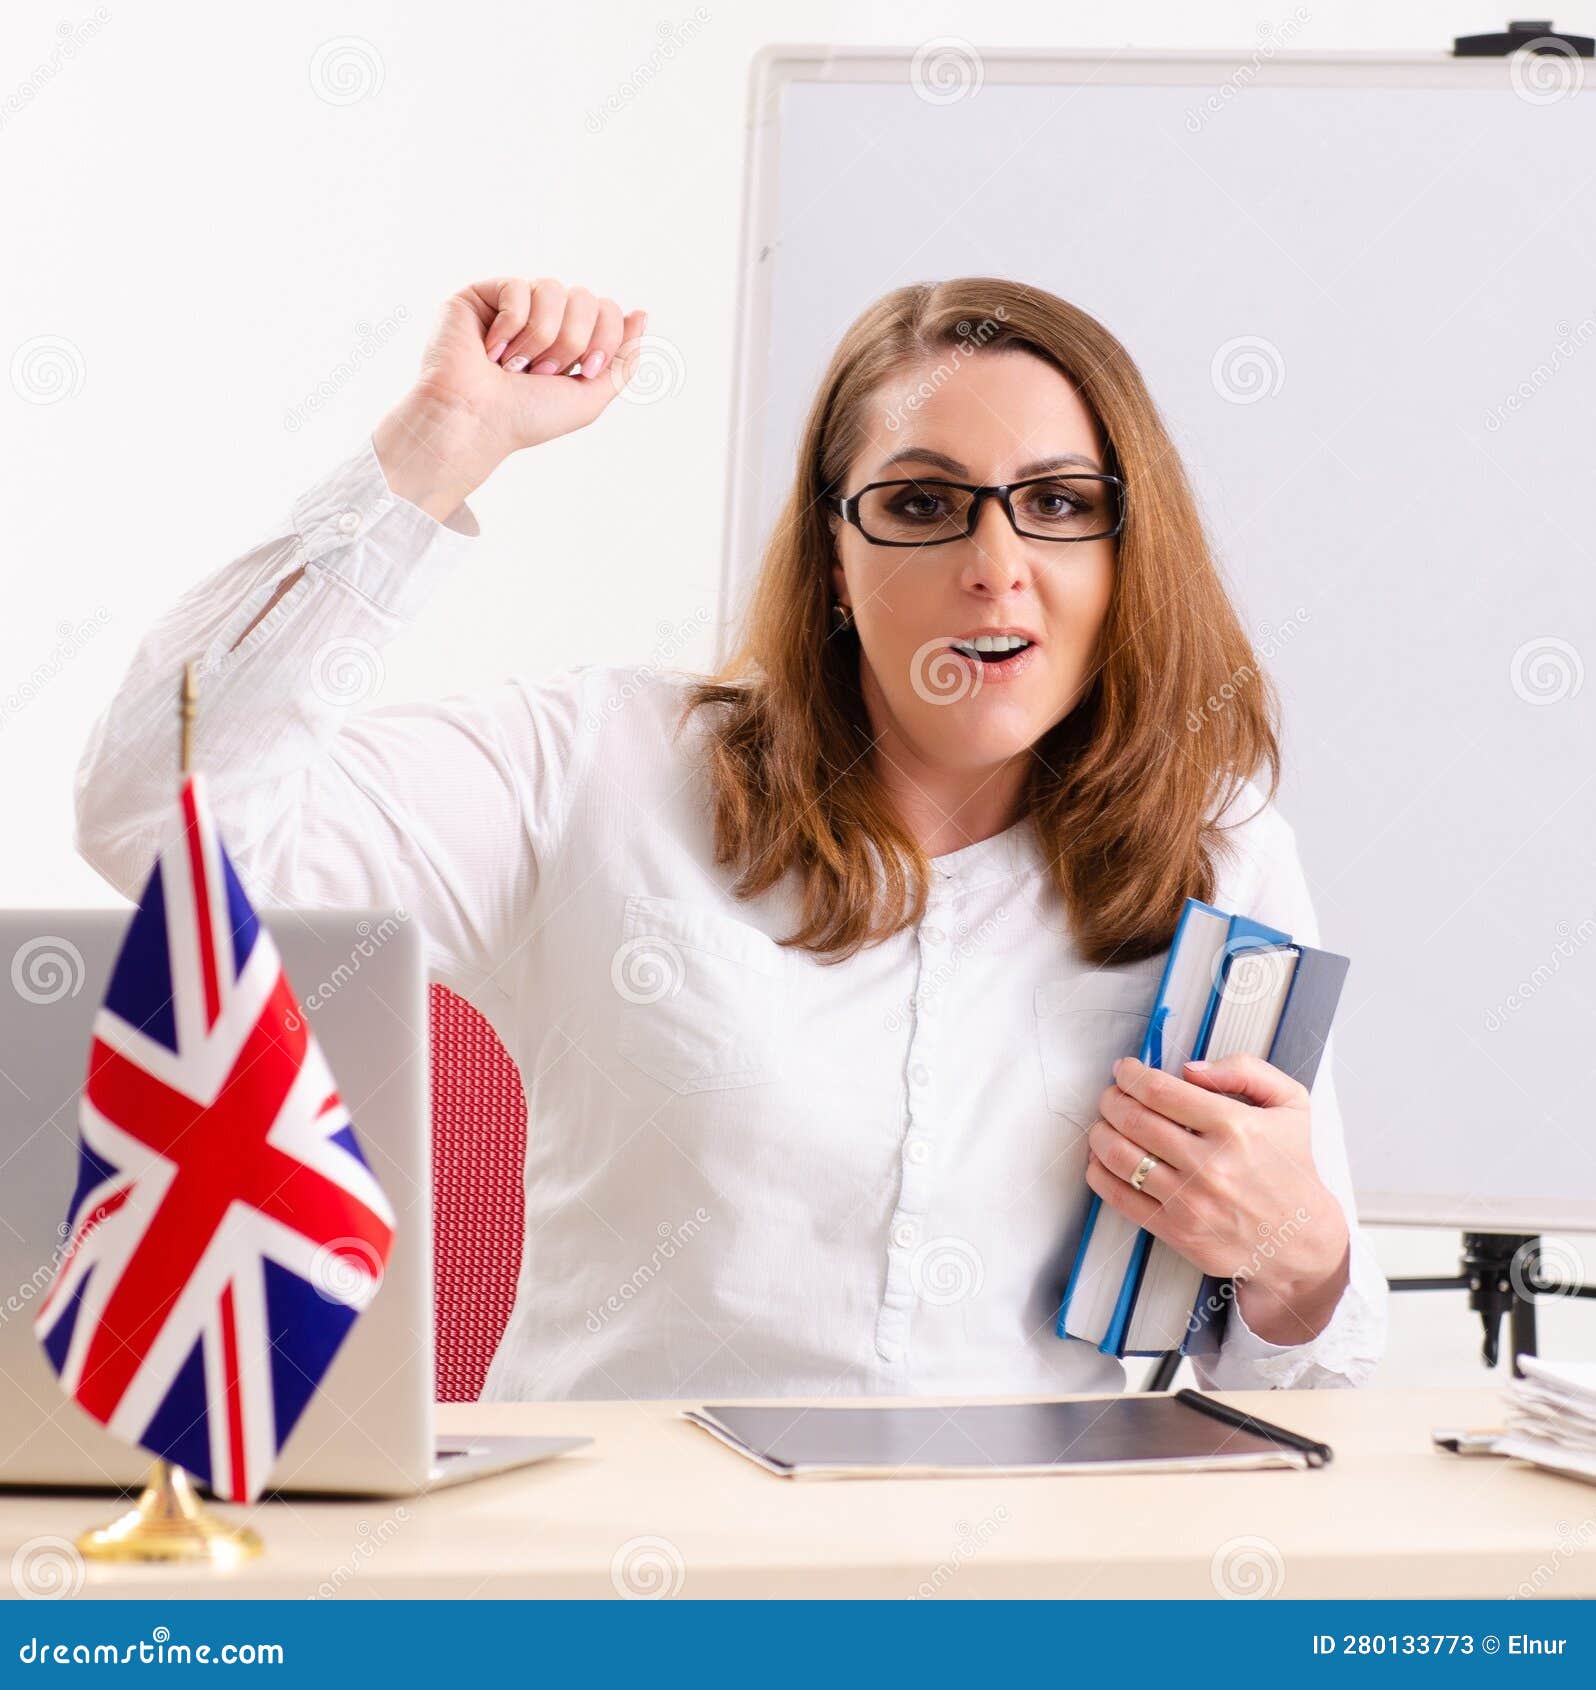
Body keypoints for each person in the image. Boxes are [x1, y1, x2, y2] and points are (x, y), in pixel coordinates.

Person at [75, 274, 1388, 1401]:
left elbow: (1316, 1383)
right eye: (924, 505)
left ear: (1123, 546)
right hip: (638, 1590)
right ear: (831, 556)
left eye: (1056, 502)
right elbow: (162, 822)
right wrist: (433, 452)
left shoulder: (1215, 858)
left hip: (1013, 1588)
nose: (996, 564)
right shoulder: (594, 768)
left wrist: (1300, 1255)